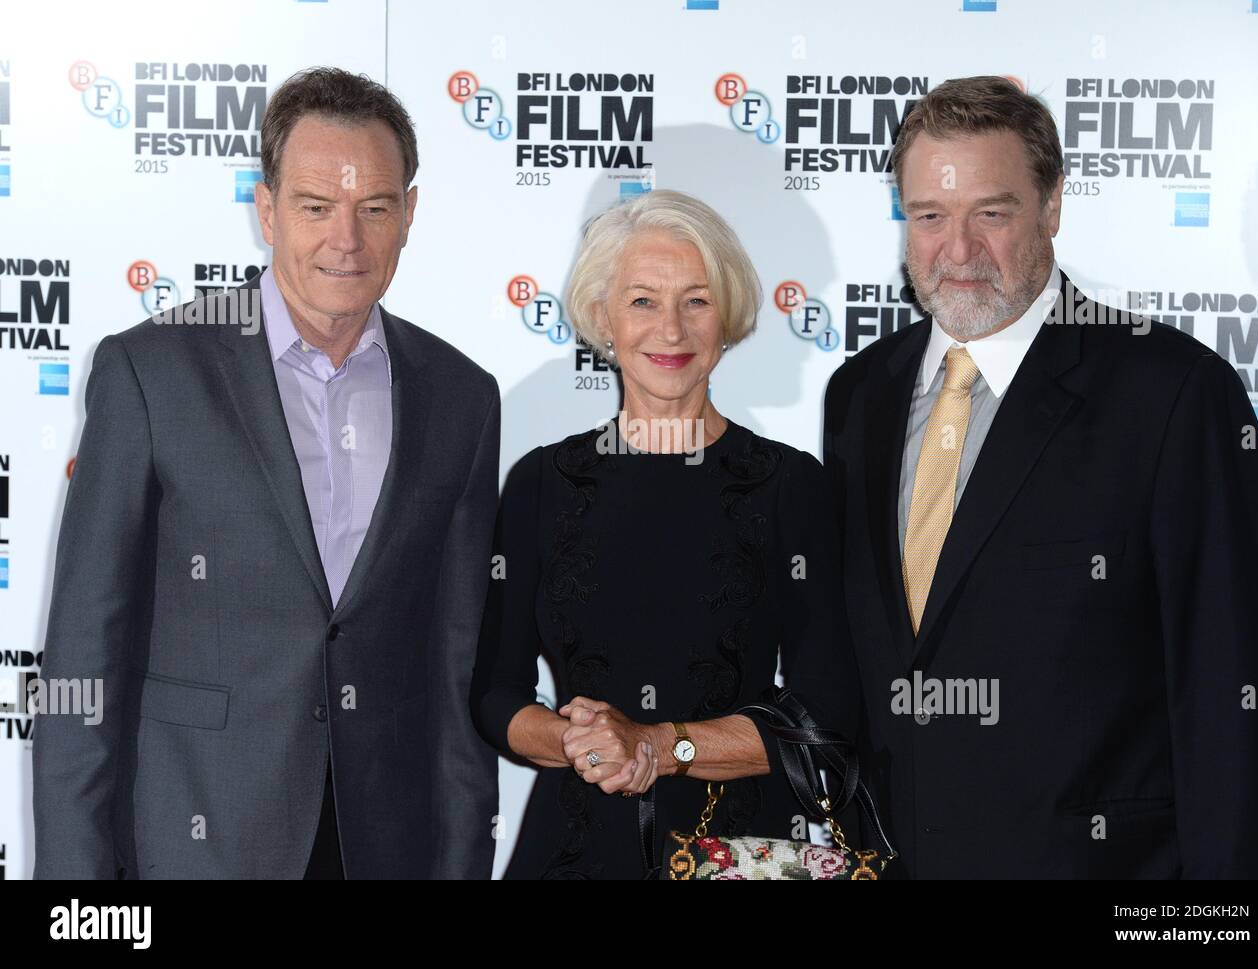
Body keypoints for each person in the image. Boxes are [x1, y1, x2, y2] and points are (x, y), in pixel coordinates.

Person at [823, 75, 1258, 878]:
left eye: (993, 212)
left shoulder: (1173, 391)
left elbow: (1243, 693)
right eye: (930, 216)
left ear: (1053, 207)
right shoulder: (860, 394)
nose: (959, 249)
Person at [32, 67, 500, 879]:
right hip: (194, 847)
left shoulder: (461, 396)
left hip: (382, 851)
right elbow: (82, 658)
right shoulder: (152, 372)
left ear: (411, 214)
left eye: (375, 208)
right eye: (317, 207)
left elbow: (455, 674)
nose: (345, 240)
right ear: (267, 208)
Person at [471, 189, 862, 879]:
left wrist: (658, 743)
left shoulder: (788, 486)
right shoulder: (540, 483)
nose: (671, 330)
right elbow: (496, 694)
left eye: (697, 300)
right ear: (604, 316)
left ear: (729, 313)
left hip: (737, 856)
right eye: (643, 300)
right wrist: (584, 743)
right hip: (573, 847)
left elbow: (823, 714)